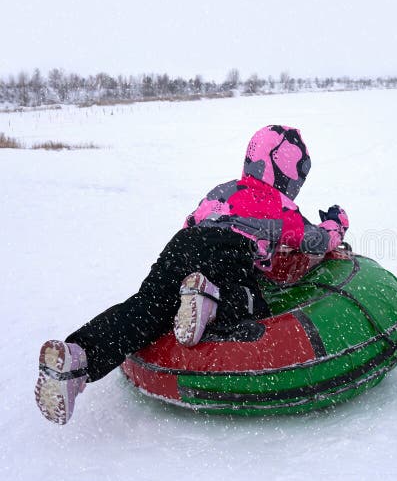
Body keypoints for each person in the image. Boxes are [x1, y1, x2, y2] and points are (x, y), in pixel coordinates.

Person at [34, 125, 349, 425]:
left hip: (183, 245)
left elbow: (193, 221)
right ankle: (210, 299)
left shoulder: (223, 190)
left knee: (147, 308)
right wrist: (337, 222)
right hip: (231, 250)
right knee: (252, 304)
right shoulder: (279, 205)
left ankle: (77, 358)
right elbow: (316, 240)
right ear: (288, 170)